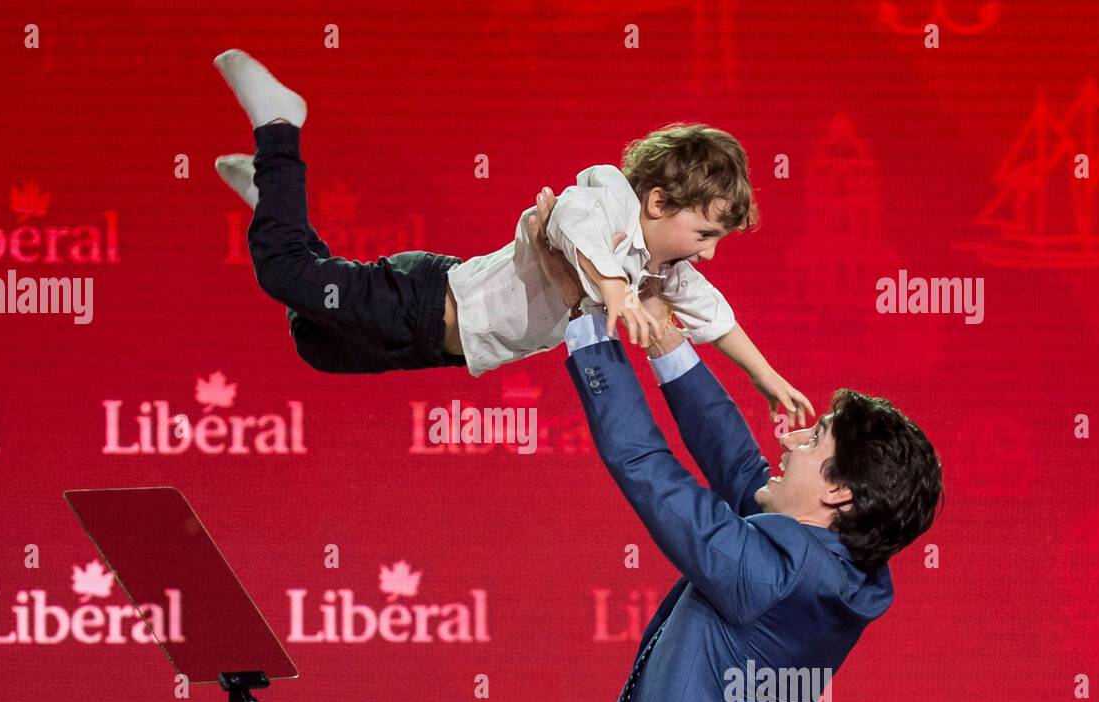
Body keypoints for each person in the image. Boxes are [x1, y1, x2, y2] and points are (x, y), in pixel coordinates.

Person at [521, 191, 945, 702]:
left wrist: (587, 323)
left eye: (815, 443)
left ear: (840, 492)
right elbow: (744, 471)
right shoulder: (828, 564)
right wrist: (668, 348)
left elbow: (647, 469)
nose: (792, 442)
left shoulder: (777, 575)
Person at [211, 48, 812, 424]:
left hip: (440, 347)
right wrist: (614, 292)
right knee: (283, 273)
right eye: (704, 233)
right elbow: (568, 220)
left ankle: (275, 205)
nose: (707, 252)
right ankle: (279, 124)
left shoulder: (657, 268)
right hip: (424, 299)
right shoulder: (610, 203)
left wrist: (766, 378)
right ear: (658, 201)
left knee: (316, 345)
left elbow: (714, 316)